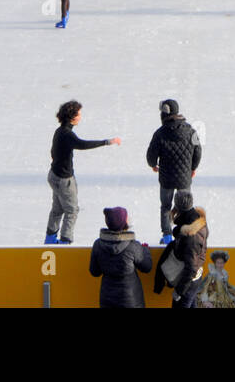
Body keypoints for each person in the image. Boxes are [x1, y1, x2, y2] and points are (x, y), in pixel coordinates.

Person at [46, 100, 121, 244]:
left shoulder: (59, 131)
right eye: (79, 114)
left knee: (57, 209)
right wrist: (106, 142)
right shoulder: (68, 135)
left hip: (53, 175)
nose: (80, 117)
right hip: (64, 180)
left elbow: (53, 152)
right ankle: (64, 243)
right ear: (72, 116)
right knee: (71, 210)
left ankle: (49, 240)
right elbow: (82, 144)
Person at [146, 99, 202, 244]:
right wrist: (193, 168)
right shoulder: (191, 131)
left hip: (166, 178)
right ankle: (184, 234)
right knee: (185, 205)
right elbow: (198, 151)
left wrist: (153, 165)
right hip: (184, 177)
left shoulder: (160, 133)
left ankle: (167, 236)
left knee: (166, 206)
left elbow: (151, 154)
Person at [88, 207, 152, 309]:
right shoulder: (133, 246)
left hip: (107, 300)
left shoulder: (98, 244)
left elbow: (94, 272)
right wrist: (145, 250)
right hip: (131, 300)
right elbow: (147, 267)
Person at [153, 196, 208, 308]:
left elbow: (191, 267)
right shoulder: (195, 222)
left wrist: (180, 290)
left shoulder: (190, 235)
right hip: (192, 279)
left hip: (188, 282)